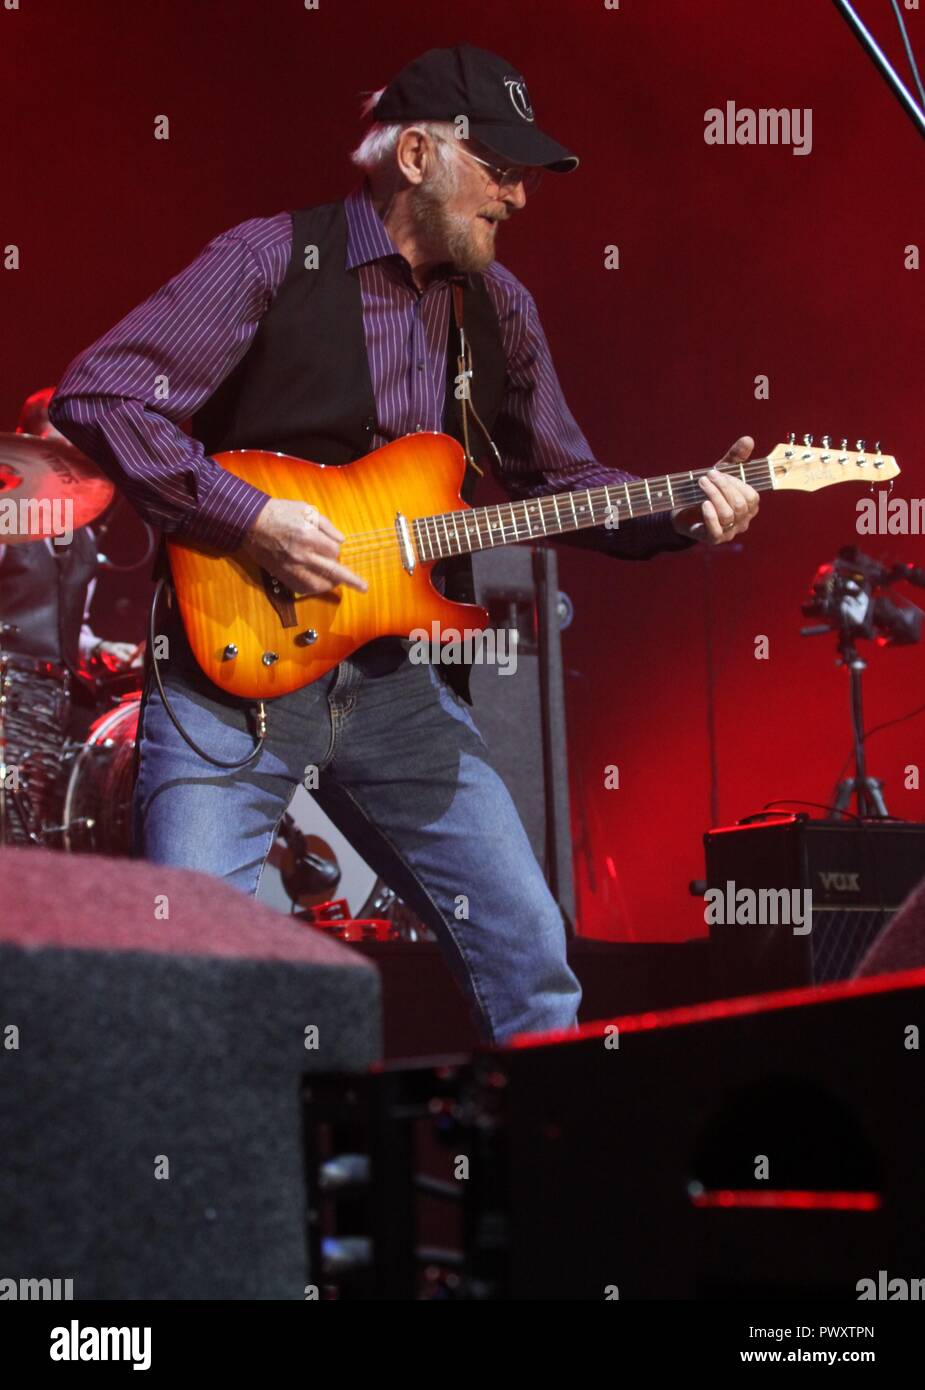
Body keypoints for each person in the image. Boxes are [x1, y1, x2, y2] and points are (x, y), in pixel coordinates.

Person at [49, 44, 759, 1043]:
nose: (517, 197)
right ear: (418, 154)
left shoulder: (497, 310)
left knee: (530, 956)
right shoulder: (268, 258)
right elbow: (100, 392)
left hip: (388, 686)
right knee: (185, 976)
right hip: (227, 684)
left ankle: (549, 1184)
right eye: (500, 169)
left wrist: (683, 508)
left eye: (525, 177)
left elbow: (562, 482)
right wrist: (245, 516)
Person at [0, 388, 141, 844]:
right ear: (28, 446)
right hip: (6, 692)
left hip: (54, 699)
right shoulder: (6, 518)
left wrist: (100, 649)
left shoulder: (79, 536)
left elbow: (69, 627)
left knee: (28, 833)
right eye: (57, 446)